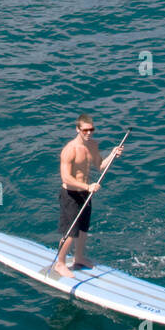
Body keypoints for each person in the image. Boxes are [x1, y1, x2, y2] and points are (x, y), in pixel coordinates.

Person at [54, 114, 122, 278]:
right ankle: (60, 263)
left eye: (91, 129)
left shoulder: (93, 145)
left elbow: (100, 166)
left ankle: (79, 258)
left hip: (86, 193)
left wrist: (112, 155)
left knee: (83, 229)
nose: (89, 133)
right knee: (71, 233)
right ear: (78, 129)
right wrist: (87, 186)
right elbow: (66, 178)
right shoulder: (70, 150)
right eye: (85, 130)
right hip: (71, 195)